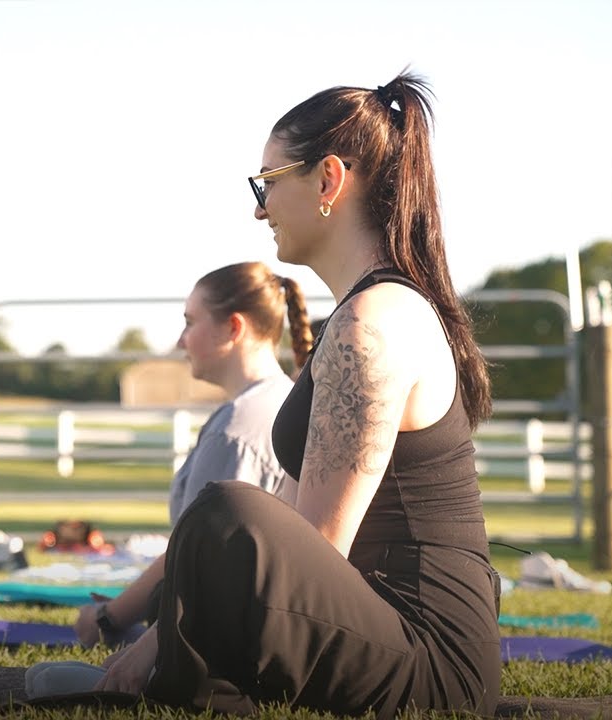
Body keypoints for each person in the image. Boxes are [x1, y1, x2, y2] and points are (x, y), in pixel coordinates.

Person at [92, 73, 501, 717]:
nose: (260, 208)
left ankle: (180, 684)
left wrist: (157, 645)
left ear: (328, 180)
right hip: (385, 629)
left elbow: (316, 545)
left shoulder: (374, 324)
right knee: (229, 517)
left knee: (227, 516)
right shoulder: (364, 314)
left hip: (429, 665)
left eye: (268, 182)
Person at [72, 261, 311, 647]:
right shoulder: (279, 401)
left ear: (234, 328)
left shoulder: (237, 427)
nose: (182, 340)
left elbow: (193, 559)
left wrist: (107, 618)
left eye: (190, 322)